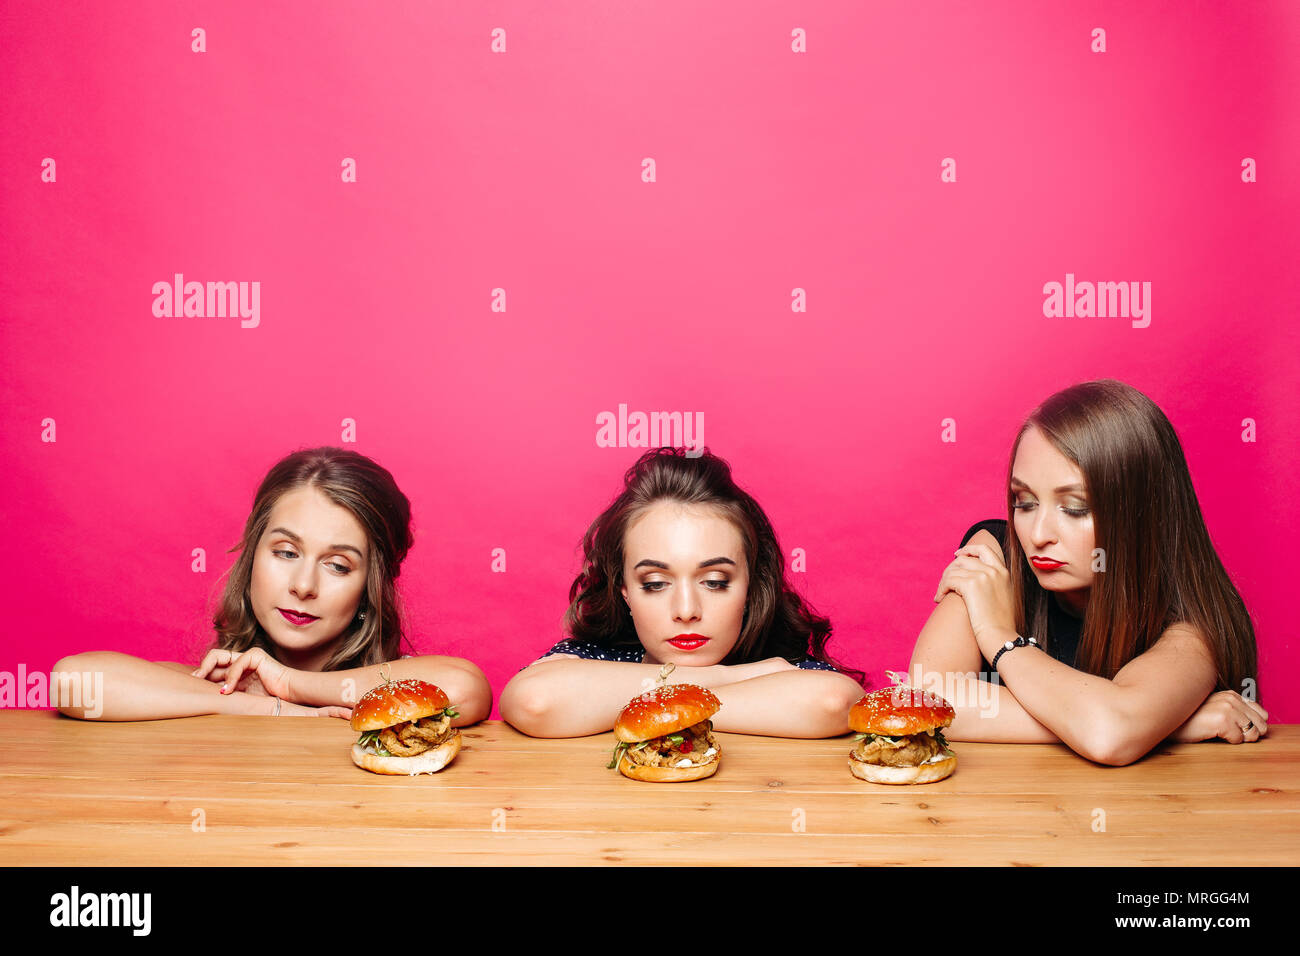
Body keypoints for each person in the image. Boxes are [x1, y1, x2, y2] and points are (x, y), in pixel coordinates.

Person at [908, 380, 1265, 766]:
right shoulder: (996, 554)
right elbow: (927, 700)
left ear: (1143, 515)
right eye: (1024, 502)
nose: (1038, 535)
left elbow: (1108, 734)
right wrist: (1167, 726)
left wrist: (998, 637)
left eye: (1075, 508)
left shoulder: (1193, 620)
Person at [54, 447, 491, 723]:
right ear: (251, 557)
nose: (303, 585)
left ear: (370, 588)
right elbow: (74, 681)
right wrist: (264, 705)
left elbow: (466, 690)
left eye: (338, 565)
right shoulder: (220, 687)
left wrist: (288, 683)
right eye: (286, 552)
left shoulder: (392, 695)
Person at [501, 446, 865, 738]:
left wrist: (620, 698)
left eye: (715, 581)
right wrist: (730, 676)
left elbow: (834, 702)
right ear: (626, 592)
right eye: (656, 583)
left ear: (752, 588)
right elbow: (535, 702)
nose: (687, 610)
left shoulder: (790, 665)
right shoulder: (593, 655)